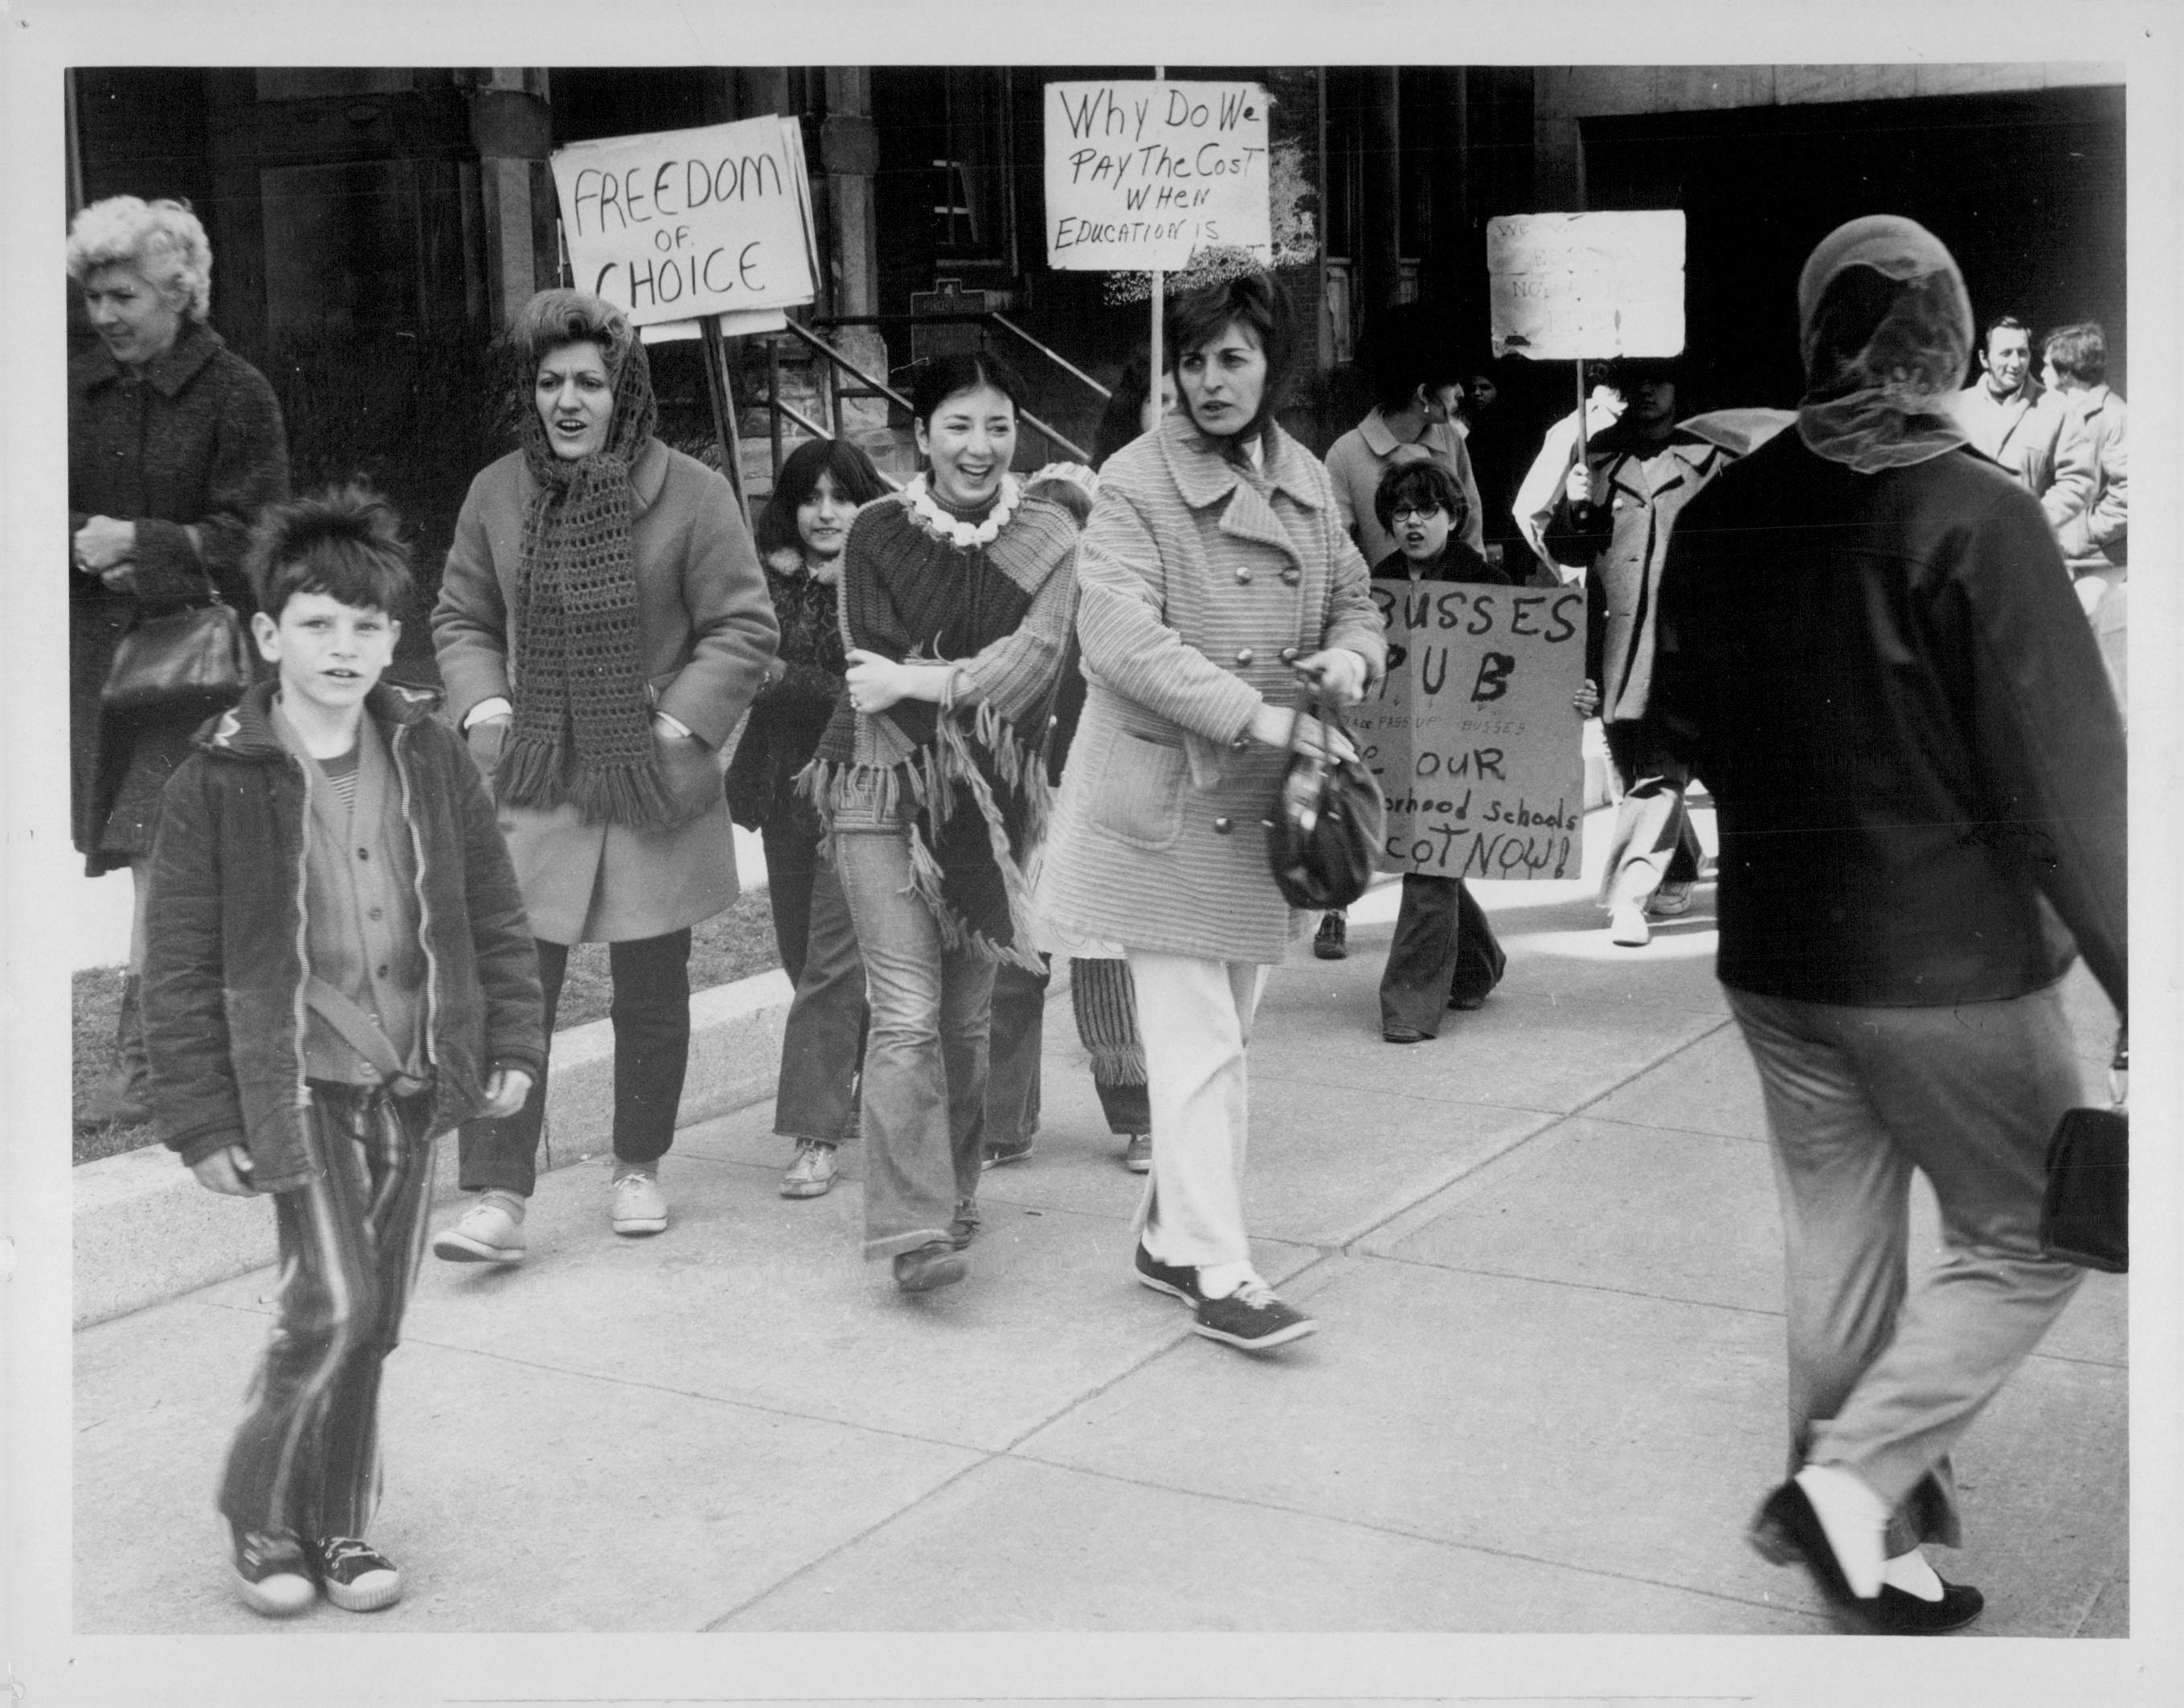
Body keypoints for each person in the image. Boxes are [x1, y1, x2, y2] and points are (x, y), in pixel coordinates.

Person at [1646, 215, 2126, 1636]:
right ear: (1950, 336)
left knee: (1838, 1253)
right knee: (2031, 1235)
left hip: (1778, 961)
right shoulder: (1979, 511)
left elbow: (1676, 727)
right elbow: (2067, 786)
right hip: (1952, 969)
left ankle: (1875, 1547)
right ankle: (1849, 1492)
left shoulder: (1725, 507)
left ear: (1814, 334)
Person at [141, 485, 545, 1617]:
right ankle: (260, 1511)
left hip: (411, 1085)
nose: (343, 646)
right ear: (268, 637)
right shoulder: (214, 783)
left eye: (366, 626)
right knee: (328, 1304)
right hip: (298, 1088)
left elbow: (494, 913)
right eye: (317, 622)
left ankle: (340, 1523)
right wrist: (206, 1120)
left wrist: (511, 1038)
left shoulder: (428, 756)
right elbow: (175, 971)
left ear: (393, 641)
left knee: (376, 1319)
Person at [1038, 270, 1386, 1354]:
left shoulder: (1306, 481)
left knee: (1224, 1035)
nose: (1210, 380)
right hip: (1164, 810)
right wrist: (1263, 718)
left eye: (1231, 358)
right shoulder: (1134, 482)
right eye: (1191, 361)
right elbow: (1123, 645)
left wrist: (1351, 655)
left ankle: (1162, 1236)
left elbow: (1357, 595)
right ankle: (1220, 1274)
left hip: (1265, 814)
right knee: (1197, 1050)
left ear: (1267, 365)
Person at [429, 289, 777, 1259]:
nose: (568, 402)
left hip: (645, 781)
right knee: (512, 989)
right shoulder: (497, 492)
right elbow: (459, 618)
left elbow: (744, 627)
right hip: (534, 779)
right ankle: (497, 1195)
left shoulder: (695, 494)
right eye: (550, 382)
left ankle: (638, 1165)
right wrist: (488, 708)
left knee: (651, 987)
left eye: (590, 381)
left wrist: (675, 726)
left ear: (624, 391)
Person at [800, 353, 1080, 1294]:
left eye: (998, 425)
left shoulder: (1051, 535)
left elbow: (1037, 661)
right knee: (910, 1013)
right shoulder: (878, 529)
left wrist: (925, 679)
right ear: (921, 435)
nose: (979, 446)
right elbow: (863, 662)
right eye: (958, 425)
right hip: (880, 789)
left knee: (964, 1018)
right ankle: (910, 1228)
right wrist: (943, 683)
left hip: (992, 805)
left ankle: (954, 1197)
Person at [67, 194, 292, 1126]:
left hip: (197, 671)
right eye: (94, 298)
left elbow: (265, 539)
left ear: (178, 289)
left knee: (179, 856)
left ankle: (151, 1070)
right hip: (105, 672)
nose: (105, 316)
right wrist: (79, 543)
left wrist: (145, 543)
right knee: (154, 857)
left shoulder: (238, 392)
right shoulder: (76, 393)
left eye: (122, 296)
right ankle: (172, 1065)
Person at [1529, 357, 1791, 946]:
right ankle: (1677, 866)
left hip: (1693, 643)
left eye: (1659, 380)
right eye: (1635, 382)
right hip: (1621, 648)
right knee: (1633, 767)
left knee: (1660, 773)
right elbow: (1569, 552)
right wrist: (1575, 504)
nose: (1647, 392)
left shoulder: (1711, 459)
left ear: (1678, 387)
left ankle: (1629, 897)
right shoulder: (1595, 459)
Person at [726, 436, 892, 1200]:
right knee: (804, 959)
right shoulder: (762, 585)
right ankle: (851, 1083)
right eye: (810, 497)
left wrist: (786, 677)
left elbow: (865, 687)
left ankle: (815, 1134)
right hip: (783, 795)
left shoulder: (881, 580)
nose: (825, 513)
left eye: (841, 496)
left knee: (829, 962)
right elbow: (732, 661)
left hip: (855, 788)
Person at [1368, 461, 1508, 1043]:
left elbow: (1526, 667)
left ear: (1453, 516)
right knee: (1435, 863)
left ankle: (1409, 1006)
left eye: (1427, 510)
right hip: (1402, 743)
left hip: (1466, 748)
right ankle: (1477, 963)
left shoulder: (1488, 583)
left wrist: (1570, 695)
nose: (1413, 523)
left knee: (1430, 868)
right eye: (1401, 512)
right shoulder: (1379, 582)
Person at [2040, 322, 2128, 710]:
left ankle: (2115, 724)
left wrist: (2084, 532)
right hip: (2072, 558)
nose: (2040, 374)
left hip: (2101, 559)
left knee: (2073, 637)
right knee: (2081, 645)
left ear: (2068, 370)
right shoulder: (2064, 411)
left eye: (2046, 366)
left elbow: (2129, 497)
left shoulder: (2116, 417)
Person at [1946, 314, 2094, 538]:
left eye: (2022, 353)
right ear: (1984, 358)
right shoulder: (1956, 409)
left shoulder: (2057, 408)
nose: (2015, 363)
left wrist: (2033, 521)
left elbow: (2078, 481)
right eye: (2006, 353)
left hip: (2027, 545)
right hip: (1968, 547)